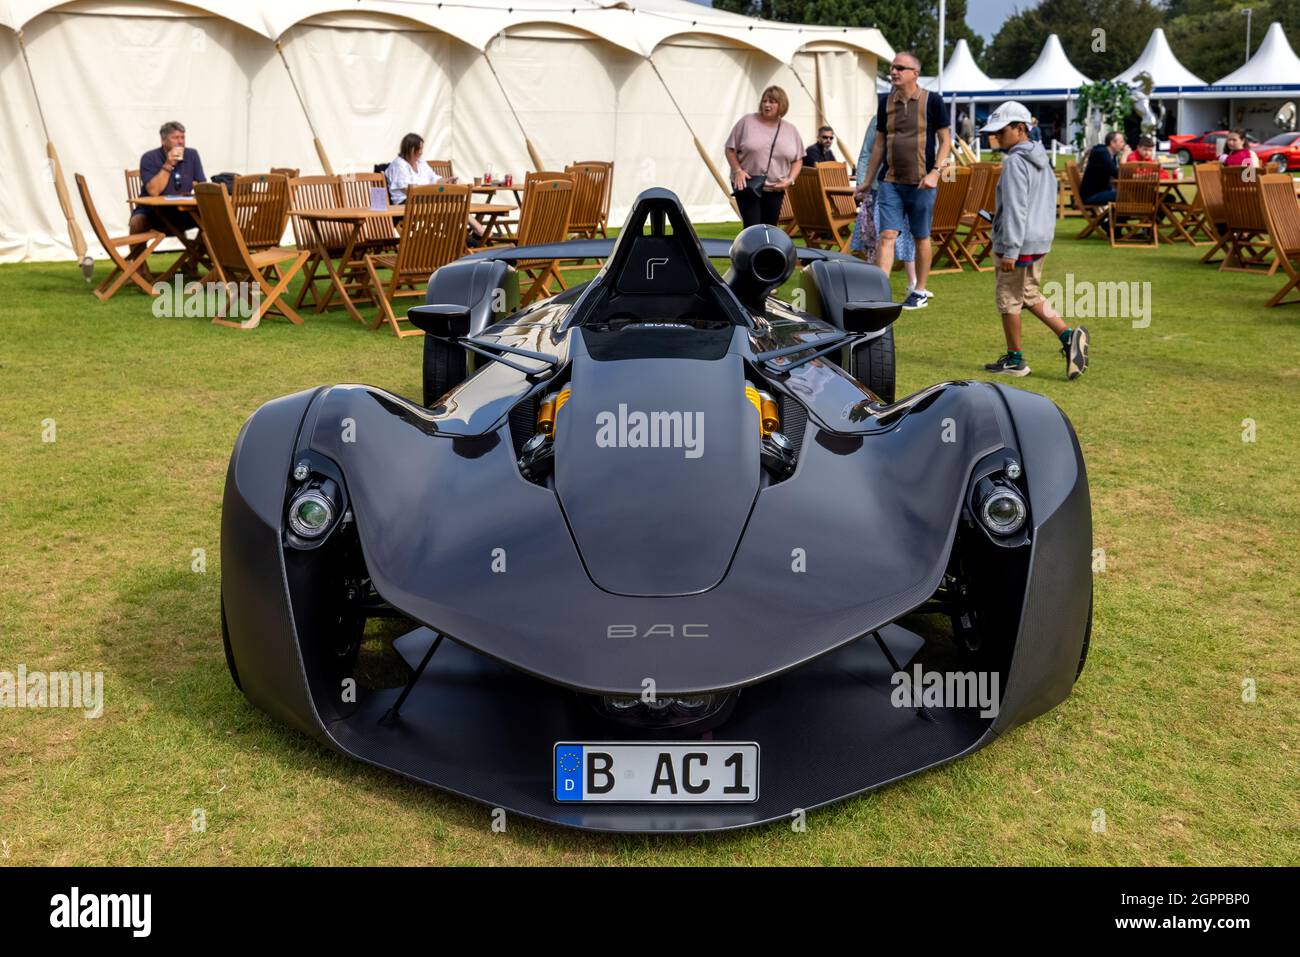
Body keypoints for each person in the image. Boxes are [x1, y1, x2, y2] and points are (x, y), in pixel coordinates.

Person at [979, 101, 1089, 380]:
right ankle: (1067, 336)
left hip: (1018, 242)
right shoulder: (1041, 157)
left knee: (1008, 299)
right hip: (1038, 240)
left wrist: (1010, 249)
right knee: (1028, 294)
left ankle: (1016, 360)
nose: (997, 137)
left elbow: (1017, 207)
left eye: (1001, 131)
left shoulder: (1015, 161)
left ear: (1019, 129)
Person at [859, 50, 952, 310]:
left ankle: (919, 291)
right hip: (890, 181)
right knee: (887, 235)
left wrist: (935, 172)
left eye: (900, 68)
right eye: (892, 68)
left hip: (922, 182)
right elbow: (879, 144)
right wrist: (867, 180)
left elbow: (946, 142)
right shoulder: (885, 102)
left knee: (921, 236)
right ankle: (880, 292)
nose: (894, 72)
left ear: (915, 73)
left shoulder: (932, 101)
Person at [850, 124, 918, 292]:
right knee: (876, 237)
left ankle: (913, 282)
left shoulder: (917, 115)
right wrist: (861, 183)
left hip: (907, 185)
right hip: (877, 188)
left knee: (906, 235)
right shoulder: (878, 120)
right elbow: (866, 152)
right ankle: (877, 283)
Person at [724, 86, 804, 227]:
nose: (767, 105)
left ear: (782, 105)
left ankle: (766, 250)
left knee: (770, 228)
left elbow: (798, 159)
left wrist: (790, 180)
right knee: (753, 227)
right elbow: (730, 149)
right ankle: (749, 249)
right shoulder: (747, 122)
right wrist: (738, 171)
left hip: (776, 188)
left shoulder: (790, 130)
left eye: (772, 101)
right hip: (748, 185)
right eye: (764, 101)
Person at [385, 133, 485, 242]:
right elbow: (409, 190)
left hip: (425, 200)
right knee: (448, 202)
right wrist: (433, 191)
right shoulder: (399, 165)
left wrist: (447, 180)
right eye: (419, 149)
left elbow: (435, 179)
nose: (421, 152)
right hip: (406, 203)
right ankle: (475, 232)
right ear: (411, 149)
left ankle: (462, 238)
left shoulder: (420, 163)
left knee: (451, 201)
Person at [128, 120, 206, 240]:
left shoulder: (192, 155)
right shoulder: (149, 157)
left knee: (212, 217)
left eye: (182, 137)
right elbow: (153, 192)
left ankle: (199, 254)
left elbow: (201, 185)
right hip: (154, 212)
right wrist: (169, 164)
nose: (180, 141)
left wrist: (196, 188)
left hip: (183, 210)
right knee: (137, 221)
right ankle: (137, 259)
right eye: (175, 137)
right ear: (163, 140)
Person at [1079, 131, 1128, 206]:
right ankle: (1118, 217)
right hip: (1092, 195)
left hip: (1101, 191)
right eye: (1121, 142)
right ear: (1112, 143)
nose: (1123, 144)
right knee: (1125, 196)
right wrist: (1125, 155)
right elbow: (1117, 174)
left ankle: (1116, 217)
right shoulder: (1102, 154)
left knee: (1126, 194)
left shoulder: (1110, 154)